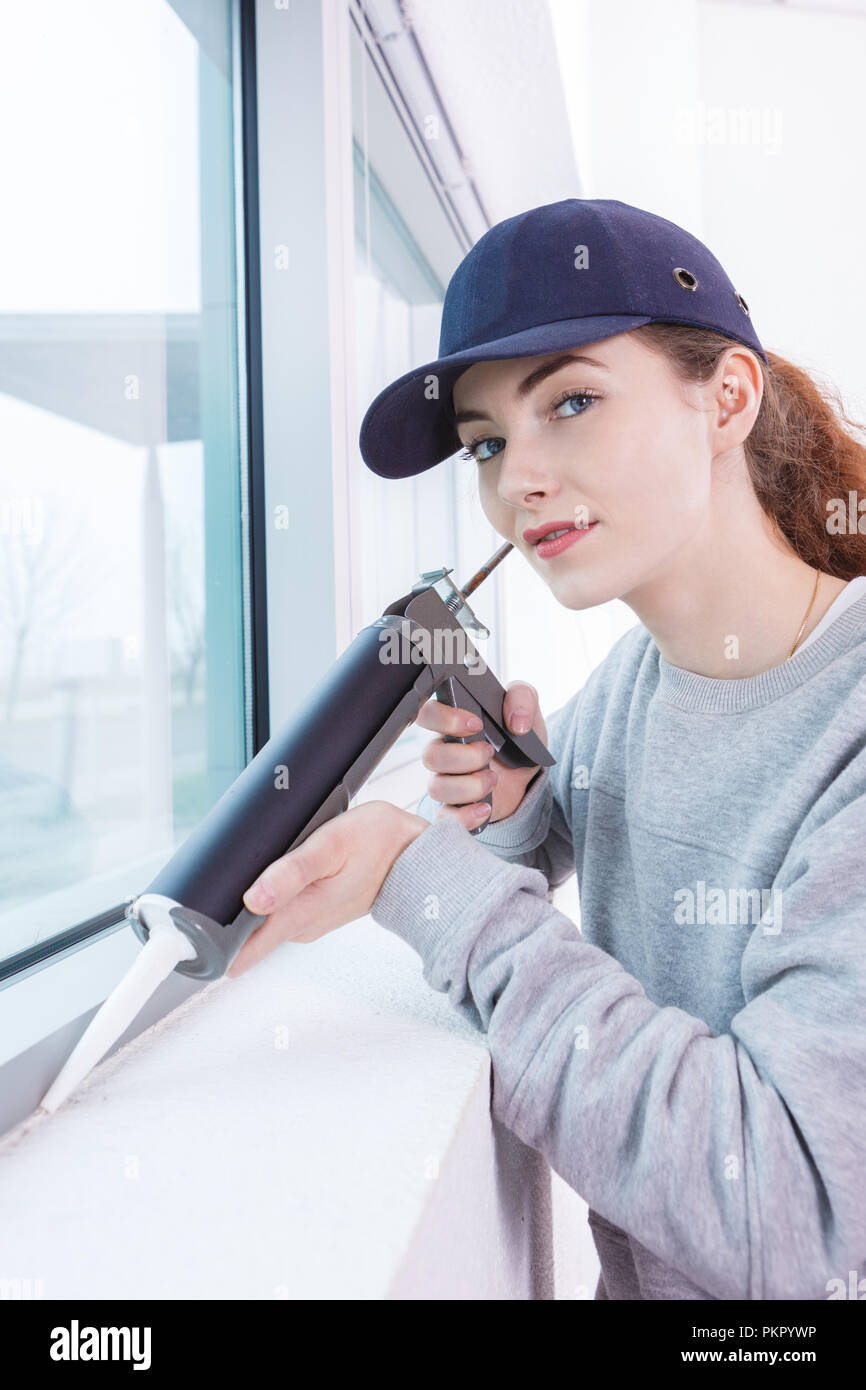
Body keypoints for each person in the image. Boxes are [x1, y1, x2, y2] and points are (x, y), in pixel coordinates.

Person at [228, 199, 866, 1301]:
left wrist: (419, 876)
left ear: (725, 397)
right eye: (485, 441)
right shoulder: (632, 681)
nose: (514, 480)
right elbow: (592, 820)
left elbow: (789, 1207)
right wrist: (523, 813)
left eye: (569, 400)